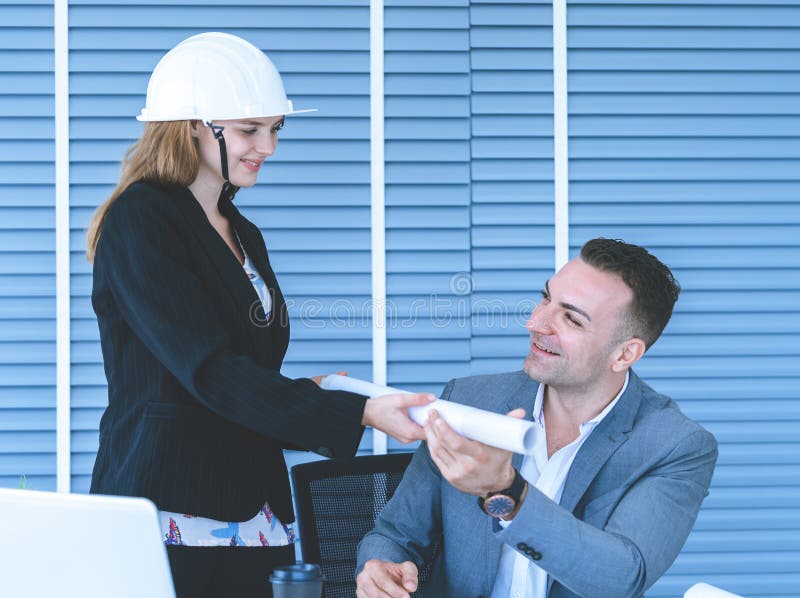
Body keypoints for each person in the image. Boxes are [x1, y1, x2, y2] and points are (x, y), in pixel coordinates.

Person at [86, 32, 432, 597]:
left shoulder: (242, 231)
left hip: (256, 506)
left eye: (275, 129)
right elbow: (206, 370)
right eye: (250, 130)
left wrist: (310, 390)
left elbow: (241, 371)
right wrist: (359, 412)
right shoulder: (141, 219)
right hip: (173, 502)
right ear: (192, 125)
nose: (268, 146)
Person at [356, 238, 719, 598]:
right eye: (546, 298)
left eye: (571, 318)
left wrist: (505, 491)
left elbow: (619, 578)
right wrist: (380, 566)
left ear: (624, 354)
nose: (535, 323)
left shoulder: (674, 445)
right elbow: (394, 535)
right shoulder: (469, 400)